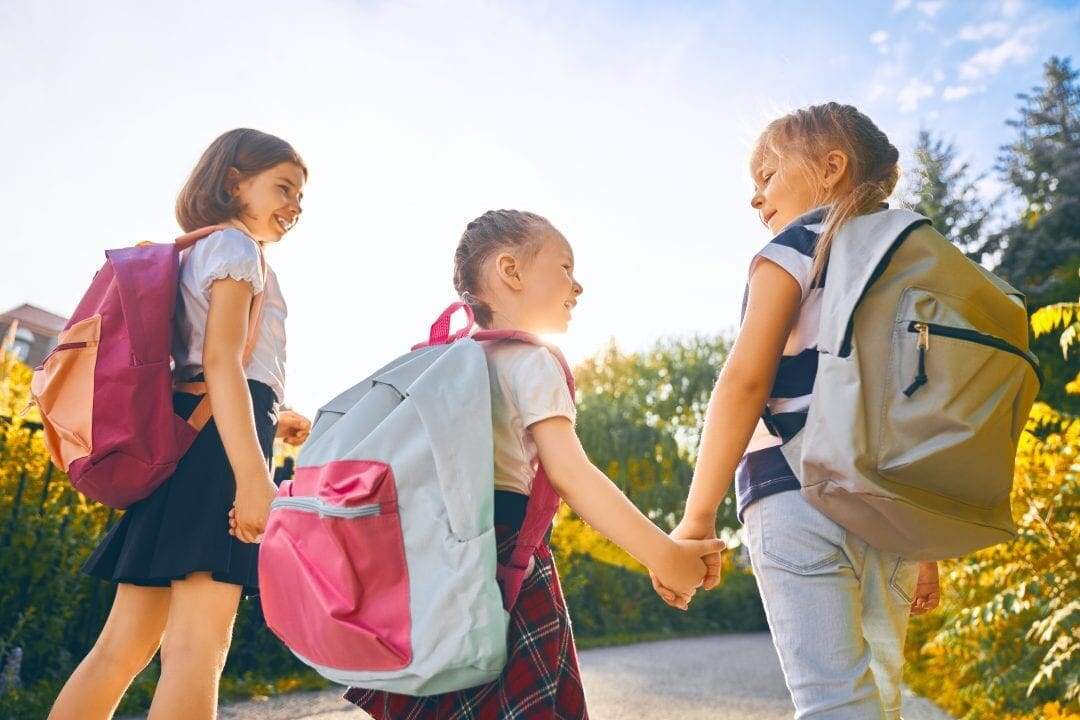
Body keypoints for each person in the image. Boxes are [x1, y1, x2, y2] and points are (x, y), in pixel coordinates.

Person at [346, 209, 724, 719]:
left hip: (435, 574)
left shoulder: (442, 362)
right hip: (506, 563)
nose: (578, 285)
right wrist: (665, 556)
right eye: (565, 267)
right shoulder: (530, 360)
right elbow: (572, 475)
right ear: (511, 270)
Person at [656, 103, 941, 720]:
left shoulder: (795, 248)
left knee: (831, 697)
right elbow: (919, 406)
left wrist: (697, 518)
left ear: (831, 168)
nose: (755, 199)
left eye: (767, 175)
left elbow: (745, 381)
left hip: (793, 490)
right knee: (878, 694)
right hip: (892, 508)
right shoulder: (913, 261)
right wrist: (925, 544)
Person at [50, 128, 312, 720]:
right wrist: (253, 476)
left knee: (122, 647)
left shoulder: (197, 249)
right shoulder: (239, 250)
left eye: (301, 196)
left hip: (184, 443)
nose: (295, 206)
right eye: (284, 187)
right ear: (232, 182)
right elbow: (223, 363)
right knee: (198, 649)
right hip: (217, 457)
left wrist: (277, 413)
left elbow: (206, 364)